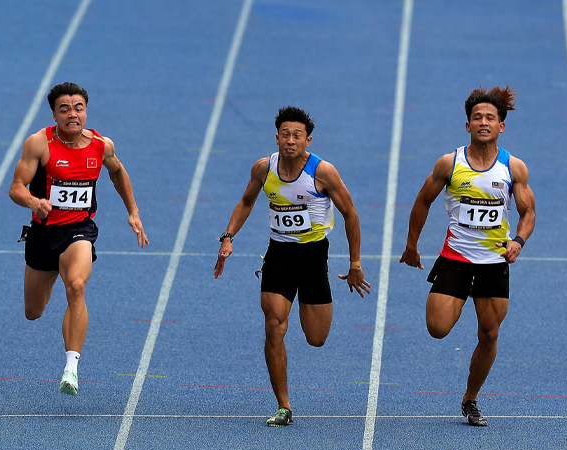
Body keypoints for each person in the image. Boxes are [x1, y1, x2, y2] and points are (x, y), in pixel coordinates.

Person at [214, 106, 370, 427]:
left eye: (297, 135)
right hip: (279, 255)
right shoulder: (263, 168)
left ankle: (308, 307)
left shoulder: (323, 172)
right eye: (285, 134)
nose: (290, 140)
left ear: (307, 141)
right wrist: (228, 236)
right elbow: (246, 202)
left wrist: (355, 263)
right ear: (276, 137)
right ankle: (284, 405)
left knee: (316, 338)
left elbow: (350, 214)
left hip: (314, 257)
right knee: (274, 324)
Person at [400, 87, 535, 426]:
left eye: (490, 118)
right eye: (478, 118)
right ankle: (457, 297)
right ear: (467, 125)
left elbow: (528, 211)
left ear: (501, 126)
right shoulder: (450, 163)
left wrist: (518, 241)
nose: (484, 122)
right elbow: (422, 201)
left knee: (489, 334)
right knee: (437, 327)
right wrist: (411, 245)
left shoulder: (513, 168)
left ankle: (470, 400)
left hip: (493, 262)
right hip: (456, 258)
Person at [9, 82, 149, 396]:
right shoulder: (39, 144)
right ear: (55, 114)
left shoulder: (101, 145)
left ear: (86, 110)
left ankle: (71, 368)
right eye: (65, 109)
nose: (73, 114)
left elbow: (117, 171)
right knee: (34, 311)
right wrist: (34, 202)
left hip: (79, 231)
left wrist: (133, 212)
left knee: (77, 285)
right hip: (44, 234)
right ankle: (50, 277)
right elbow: (16, 187)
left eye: (79, 108)